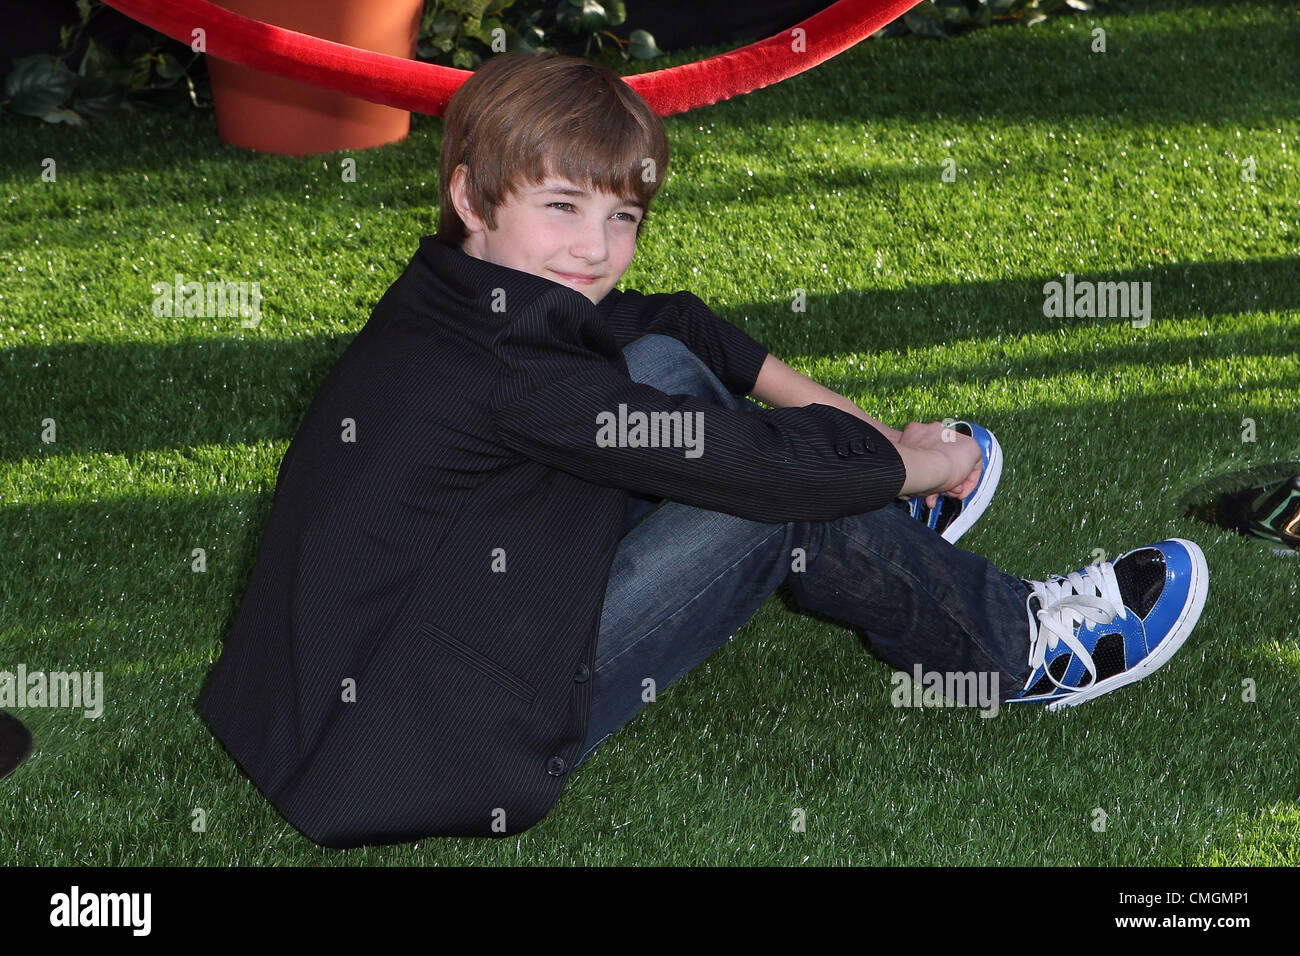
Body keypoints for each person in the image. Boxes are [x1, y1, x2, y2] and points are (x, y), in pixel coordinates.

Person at [196, 52, 1208, 847]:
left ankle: (883, 528)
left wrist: (869, 435)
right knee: (777, 505)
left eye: (620, 216)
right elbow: (759, 468)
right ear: (473, 196)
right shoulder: (521, 374)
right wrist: (926, 464)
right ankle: (1024, 646)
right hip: (428, 738)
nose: (594, 246)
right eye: (562, 207)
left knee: (662, 363)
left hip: (339, 681)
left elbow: (663, 322)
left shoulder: (459, 290)